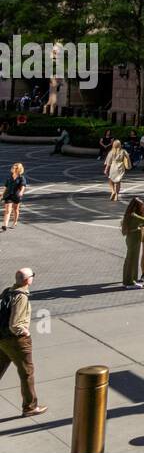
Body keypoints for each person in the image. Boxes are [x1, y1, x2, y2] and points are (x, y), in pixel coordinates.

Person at [0, 267, 46, 417]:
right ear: (27, 280)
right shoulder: (21, 297)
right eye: (33, 276)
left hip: (2, 338)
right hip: (16, 341)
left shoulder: (8, 291)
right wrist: (24, 332)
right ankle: (30, 407)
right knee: (27, 373)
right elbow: (15, 324)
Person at [120, 196, 144, 289]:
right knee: (132, 260)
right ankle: (130, 282)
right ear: (136, 206)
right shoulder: (133, 215)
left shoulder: (129, 213)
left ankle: (127, 280)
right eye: (141, 206)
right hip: (134, 239)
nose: (142, 207)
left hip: (132, 238)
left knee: (129, 260)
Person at [2, 163, 27, 232]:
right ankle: (5, 225)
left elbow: (23, 186)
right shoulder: (9, 177)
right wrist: (2, 194)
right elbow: (6, 187)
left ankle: (15, 222)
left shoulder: (21, 177)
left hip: (16, 195)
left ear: (18, 169)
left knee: (15, 209)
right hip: (8, 195)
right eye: (12, 167)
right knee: (7, 210)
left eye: (14, 168)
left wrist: (21, 192)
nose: (12, 168)